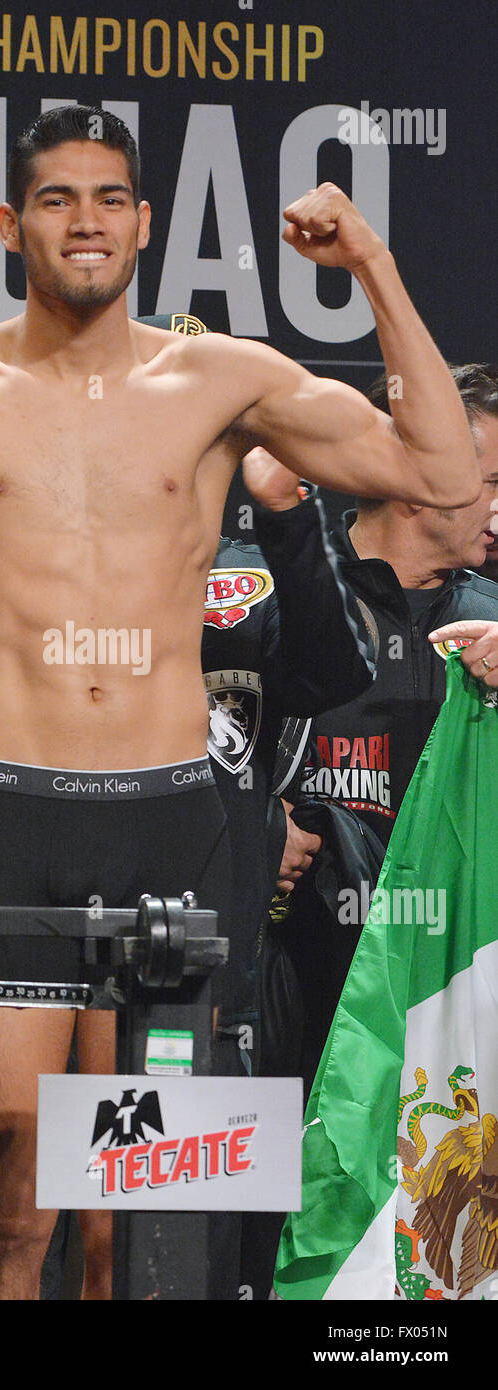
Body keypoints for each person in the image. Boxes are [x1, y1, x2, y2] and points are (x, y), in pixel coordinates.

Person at [0, 105, 481, 1301]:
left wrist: (372, 264)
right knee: (9, 1215)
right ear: (13, 223)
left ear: (143, 221)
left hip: (168, 828)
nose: (85, 221)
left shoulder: (220, 379)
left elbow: (437, 471)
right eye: (57, 198)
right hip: (4, 828)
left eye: (108, 198)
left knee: (143, 1229)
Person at [280, 363, 498, 1095]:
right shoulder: (266, 591)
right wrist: (253, 823)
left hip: (453, 988)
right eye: (491, 482)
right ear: (415, 478)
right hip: (286, 982)